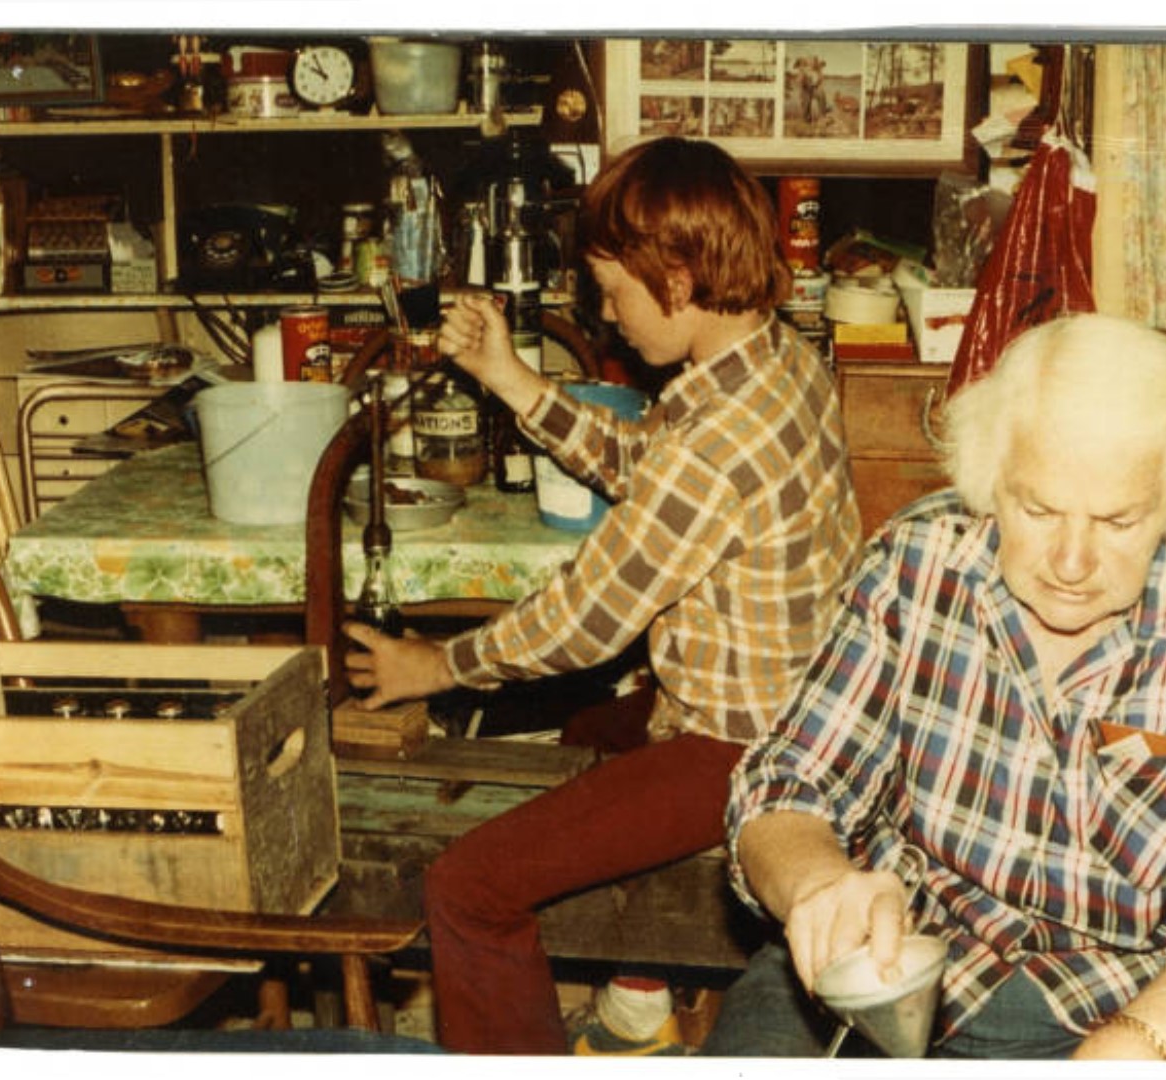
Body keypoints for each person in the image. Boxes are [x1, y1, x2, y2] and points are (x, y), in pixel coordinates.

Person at [342, 136, 863, 1055]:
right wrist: (511, 379)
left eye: (615, 292)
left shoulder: (717, 434)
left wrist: (437, 665)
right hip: (805, 711)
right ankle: (636, 1001)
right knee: (587, 736)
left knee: (468, 886)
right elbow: (644, 467)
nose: (609, 316)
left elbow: (586, 621)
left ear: (678, 274)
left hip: (743, 747)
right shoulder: (771, 363)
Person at [708, 313, 1166, 1060]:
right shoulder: (916, 565)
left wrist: (1136, 1046)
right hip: (888, 955)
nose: (1070, 561)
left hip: (1107, 1007)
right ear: (991, 478)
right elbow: (789, 780)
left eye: (1118, 521)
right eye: (1037, 509)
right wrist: (816, 883)